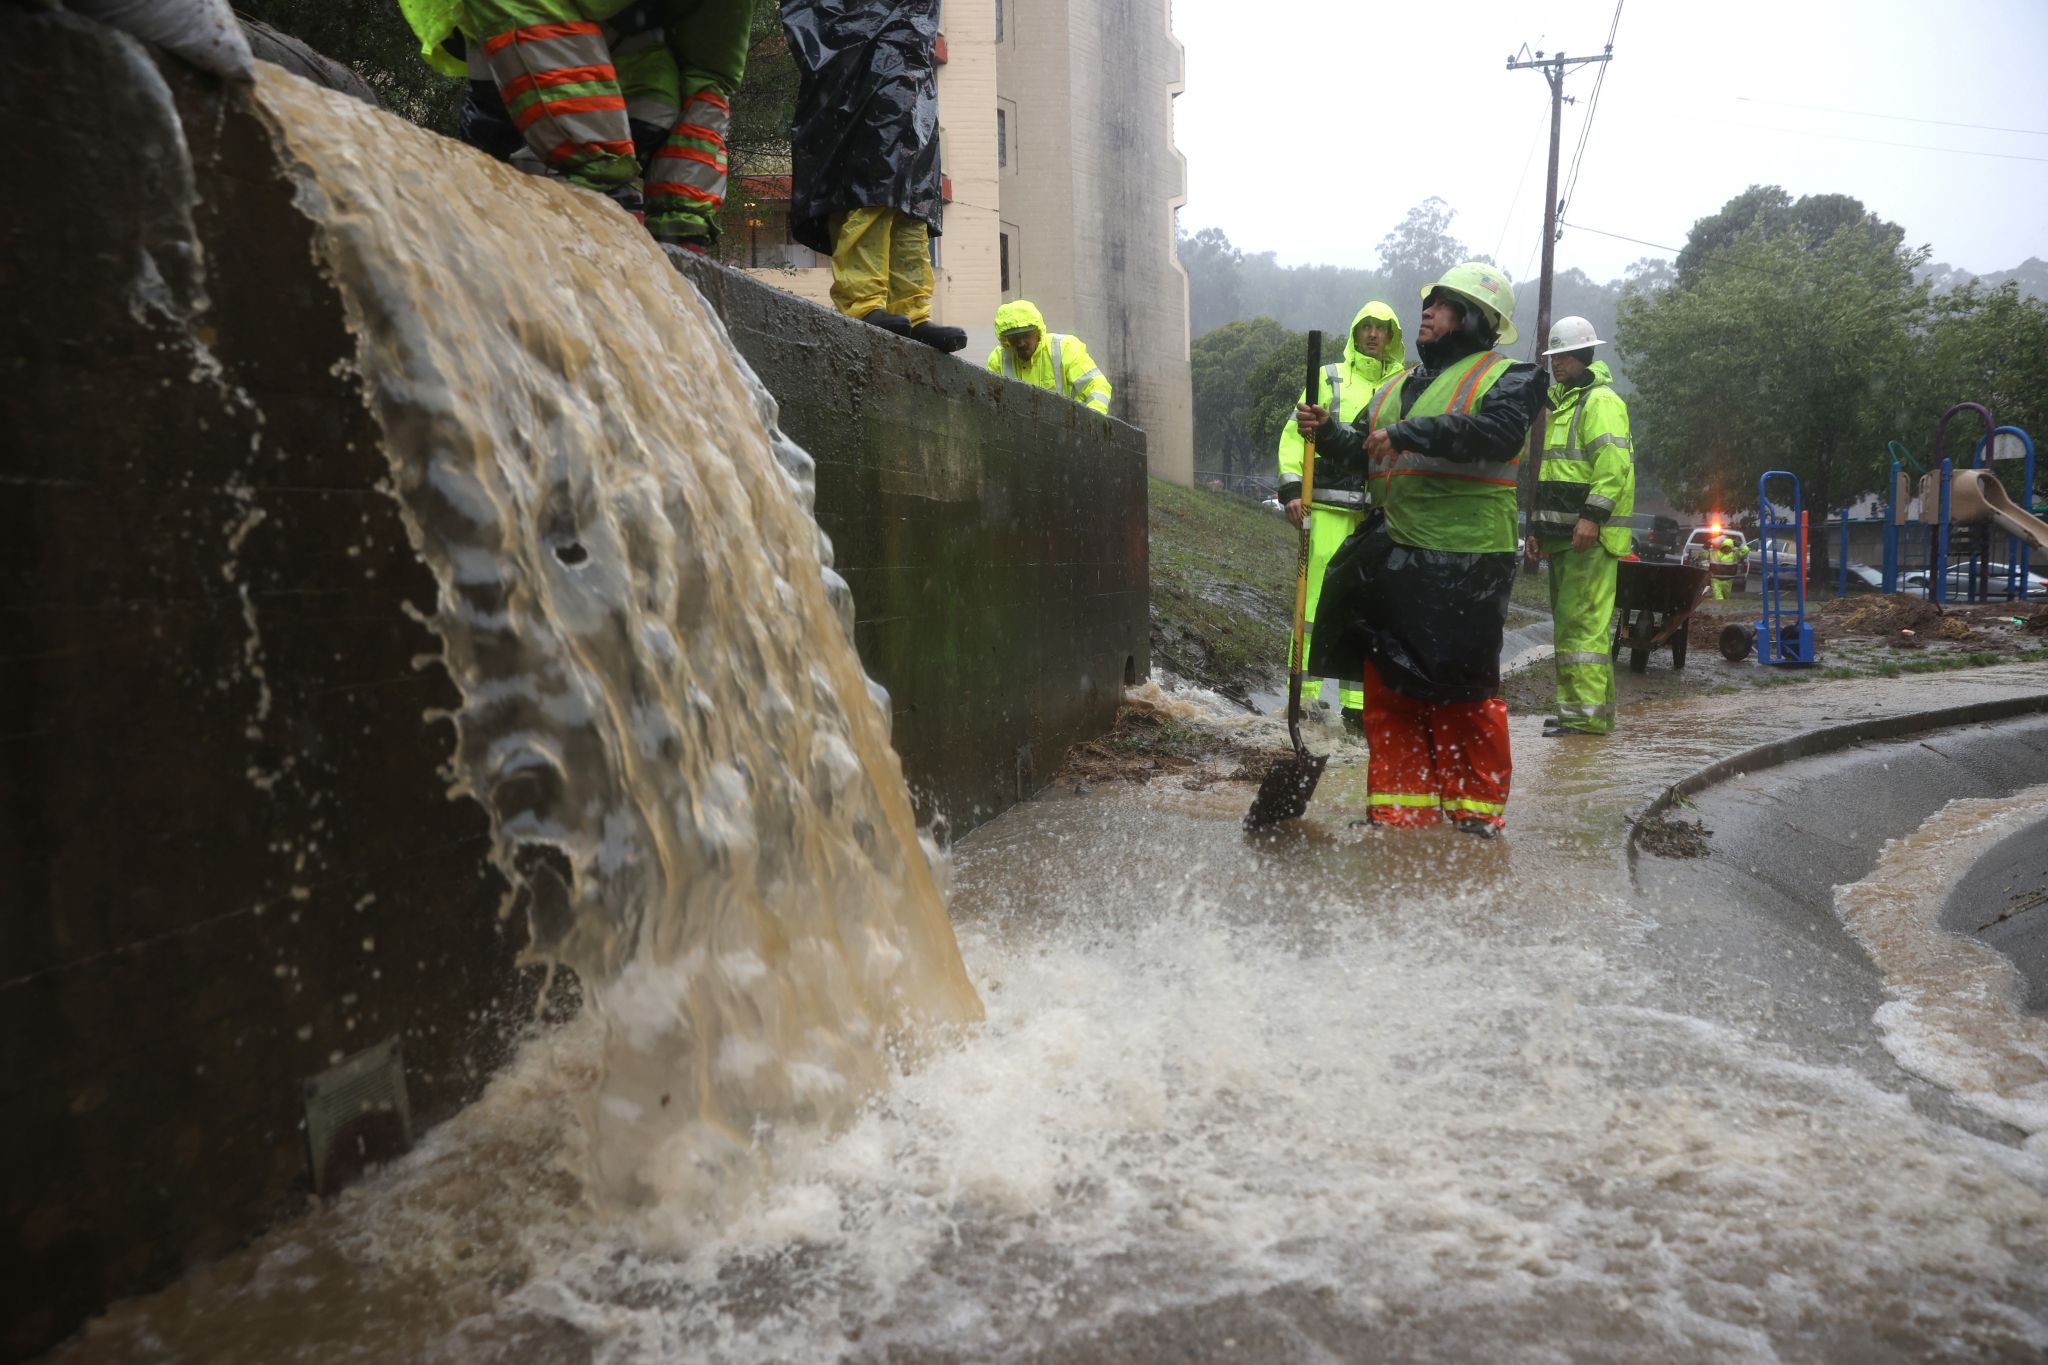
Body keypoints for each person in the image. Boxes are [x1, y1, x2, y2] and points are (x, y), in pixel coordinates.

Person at [1294, 263, 1545, 837]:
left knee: (1462, 695)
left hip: (1464, 564)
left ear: (1475, 319)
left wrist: (1410, 433)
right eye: (1428, 302)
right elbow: (1364, 451)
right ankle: (1400, 816)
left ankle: (1474, 819)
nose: (1427, 311)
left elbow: (1496, 434)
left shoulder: (1512, 378)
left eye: (1444, 303)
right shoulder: (1395, 386)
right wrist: (1326, 432)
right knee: (1389, 691)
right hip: (1392, 554)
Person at [397, 0, 749, 250]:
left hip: (569, 129)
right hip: (648, 117)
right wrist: (682, 225)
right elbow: (709, 81)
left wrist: (601, 177)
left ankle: (600, 200)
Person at [782, 0, 966, 352]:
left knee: (911, 205)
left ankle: (911, 309)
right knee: (869, 191)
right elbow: (815, 21)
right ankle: (864, 302)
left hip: (905, 72)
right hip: (861, 75)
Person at [1275, 301, 1405, 735]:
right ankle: (1305, 703)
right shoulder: (1328, 376)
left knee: (1366, 613)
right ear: (1355, 332)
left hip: (1373, 517)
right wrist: (1293, 489)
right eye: (1366, 326)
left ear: (1391, 336)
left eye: (1381, 328)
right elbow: (1295, 434)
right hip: (1326, 509)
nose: (1373, 334)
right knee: (1313, 605)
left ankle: (1357, 708)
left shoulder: (1403, 386)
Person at [1524, 315, 1635, 738]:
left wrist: (1592, 517)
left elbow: (1613, 466)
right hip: (1565, 539)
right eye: (1554, 356)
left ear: (1586, 354)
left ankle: (1583, 718)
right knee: (1573, 627)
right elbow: (1552, 477)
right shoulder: (1565, 403)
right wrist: (1538, 529)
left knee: (1583, 629)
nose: (1557, 363)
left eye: (1565, 355)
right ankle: (1585, 712)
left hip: (1589, 537)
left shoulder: (1599, 401)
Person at [985, 301, 1112, 415]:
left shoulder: (1066, 348)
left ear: (1038, 332)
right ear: (1005, 339)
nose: (1021, 343)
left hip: (1068, 434)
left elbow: (1096, 385)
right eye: (1014, 338)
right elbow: (990, 404)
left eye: (1026, 335)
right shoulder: (997, 360)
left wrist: (1093, 421)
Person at [1710, 533, 1748, 599]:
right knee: (1718, 598)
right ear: (1722, 547)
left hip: (1728, 581)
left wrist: (1736, 543)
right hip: (1716, 580)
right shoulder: (1714, 552)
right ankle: (1719, 608)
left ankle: (1721, 608)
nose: (1727, 549)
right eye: (1726, 547)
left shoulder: (1735, 554)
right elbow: (1703, 551)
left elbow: (1746, 550)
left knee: (1726, 598)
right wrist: (1709, 543)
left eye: (1729, 547)